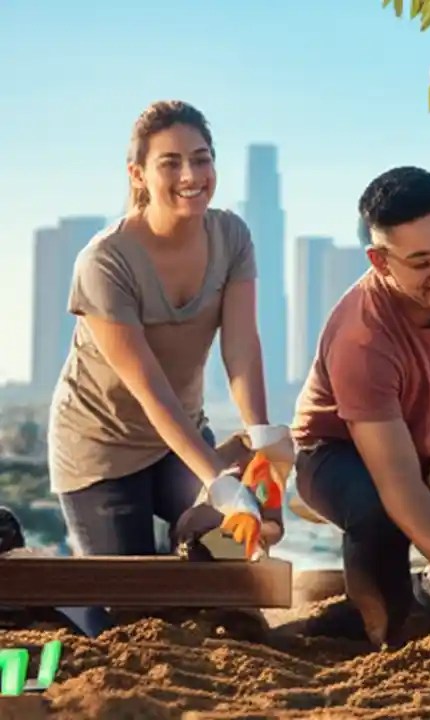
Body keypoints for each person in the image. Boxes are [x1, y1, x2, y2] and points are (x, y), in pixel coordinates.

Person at [48, 100, 291, 561]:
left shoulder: (231, 236)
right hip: (102, 450)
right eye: (170, 163)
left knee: (240, 536)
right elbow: (149, 389)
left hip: (178, 439)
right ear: (137, 174)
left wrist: (259, 436)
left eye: (201, 159)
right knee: (128, 604)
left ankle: (184, 543)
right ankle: (36, 581)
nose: (190, 176)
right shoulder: (105, 261)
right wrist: (218, 482)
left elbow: (240, 347)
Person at [292, 166, 430, 649]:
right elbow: (397, 485)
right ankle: (371, 632)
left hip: (420, 446)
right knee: (380, 517)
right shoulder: (361, 338)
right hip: (333, 454)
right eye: (420, 263)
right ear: (379, 261)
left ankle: (410, 600)